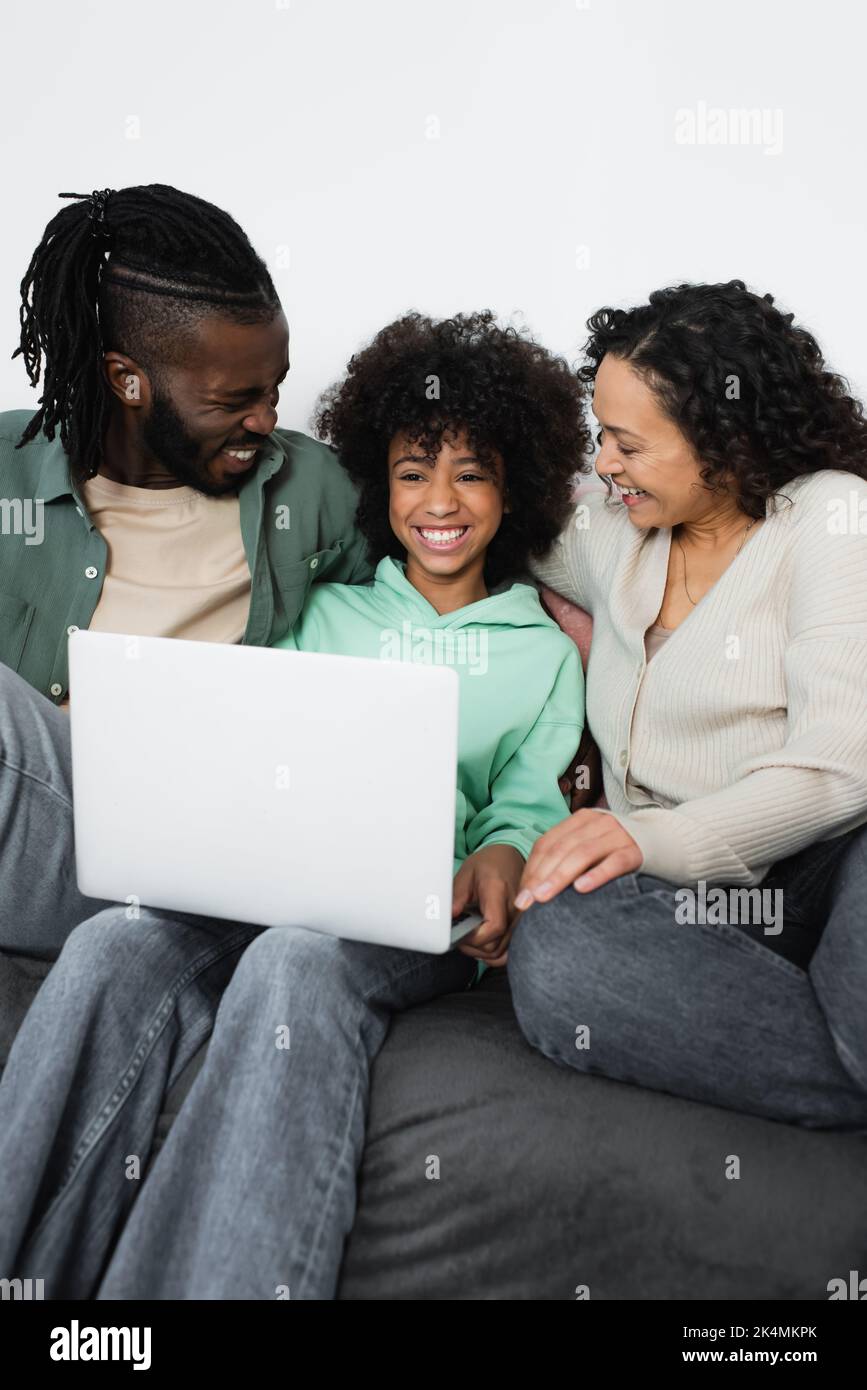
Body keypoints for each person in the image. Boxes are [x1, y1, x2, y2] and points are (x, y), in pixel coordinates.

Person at [0, 311, 587, 1299]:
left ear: (512, 488)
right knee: (114, 942)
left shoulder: (541, 649)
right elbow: (254, 732)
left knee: (295, 961)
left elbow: (524, 806)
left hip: (408, 910)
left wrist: (504, 854)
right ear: (379, 482)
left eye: (471, 473)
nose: (439, 500)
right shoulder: (331, 607)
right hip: (268, 878)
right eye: (412, 471)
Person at [508, 280, 867, 1130]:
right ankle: (845, 1087)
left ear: (722, 438)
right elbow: (468, 521)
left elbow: (842, 765)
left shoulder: (828, 515)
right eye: (600, 437)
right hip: (675, 908)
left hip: (819, 871)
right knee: (556, 939)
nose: (601, 465)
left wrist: (644, 833)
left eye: (627, 445)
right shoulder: (609, 530)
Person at [0, 182, 372, 963]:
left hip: (198, 855)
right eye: (235, 400)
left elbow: (472, 551)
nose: (267, 420)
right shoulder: (6, 471)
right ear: (126, 379)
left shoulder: (313, 491)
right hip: (41, 833)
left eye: (275, 388)